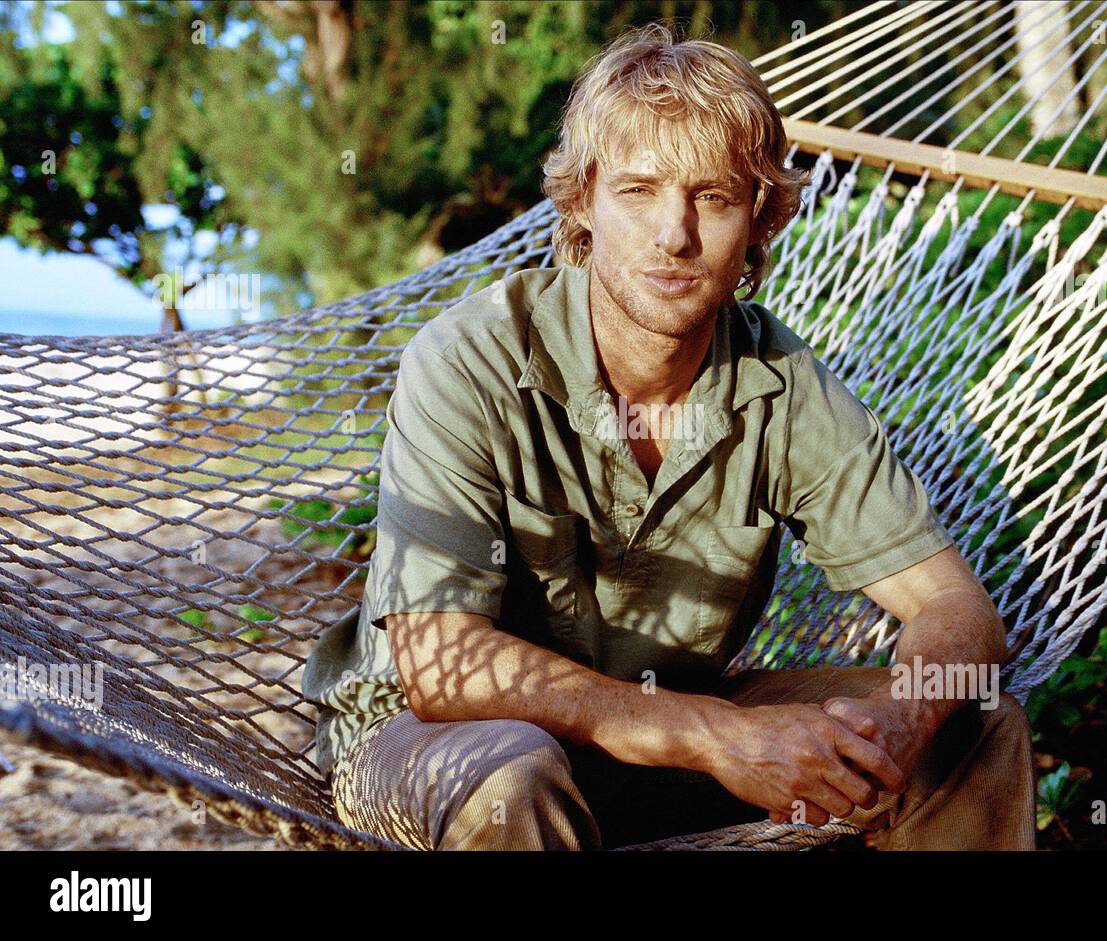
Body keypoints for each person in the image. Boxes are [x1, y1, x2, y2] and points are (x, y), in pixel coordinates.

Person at [301, 21, 1035, 851]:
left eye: (714, 198)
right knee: (517, 773)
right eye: (638, 191)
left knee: (971, 722)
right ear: (582, 202)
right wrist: (715, 735)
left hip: (655, 748)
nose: (675, 235)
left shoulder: (779, 382)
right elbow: (444, 668)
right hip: (423, 744)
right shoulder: (470, 360)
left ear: (759, 221)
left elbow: (957, 607)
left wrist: (901, 724)